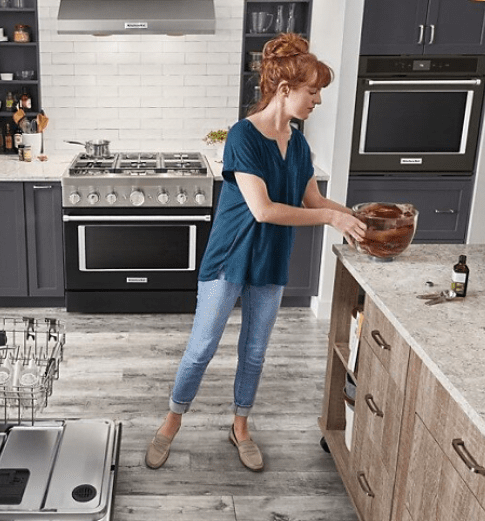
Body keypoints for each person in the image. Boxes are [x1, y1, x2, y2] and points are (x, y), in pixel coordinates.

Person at [145, 34, 367, 472]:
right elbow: (263, 210)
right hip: (229, 255)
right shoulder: (243, 136)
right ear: (285, 90)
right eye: (313, 90)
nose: (318, 99)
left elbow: (314, 202)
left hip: (270, 260)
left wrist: (358, 217)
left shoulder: (300, 145)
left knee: (255, 351)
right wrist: (331, 222)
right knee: (202, 346)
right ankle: (172, 421)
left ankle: (240, 426)